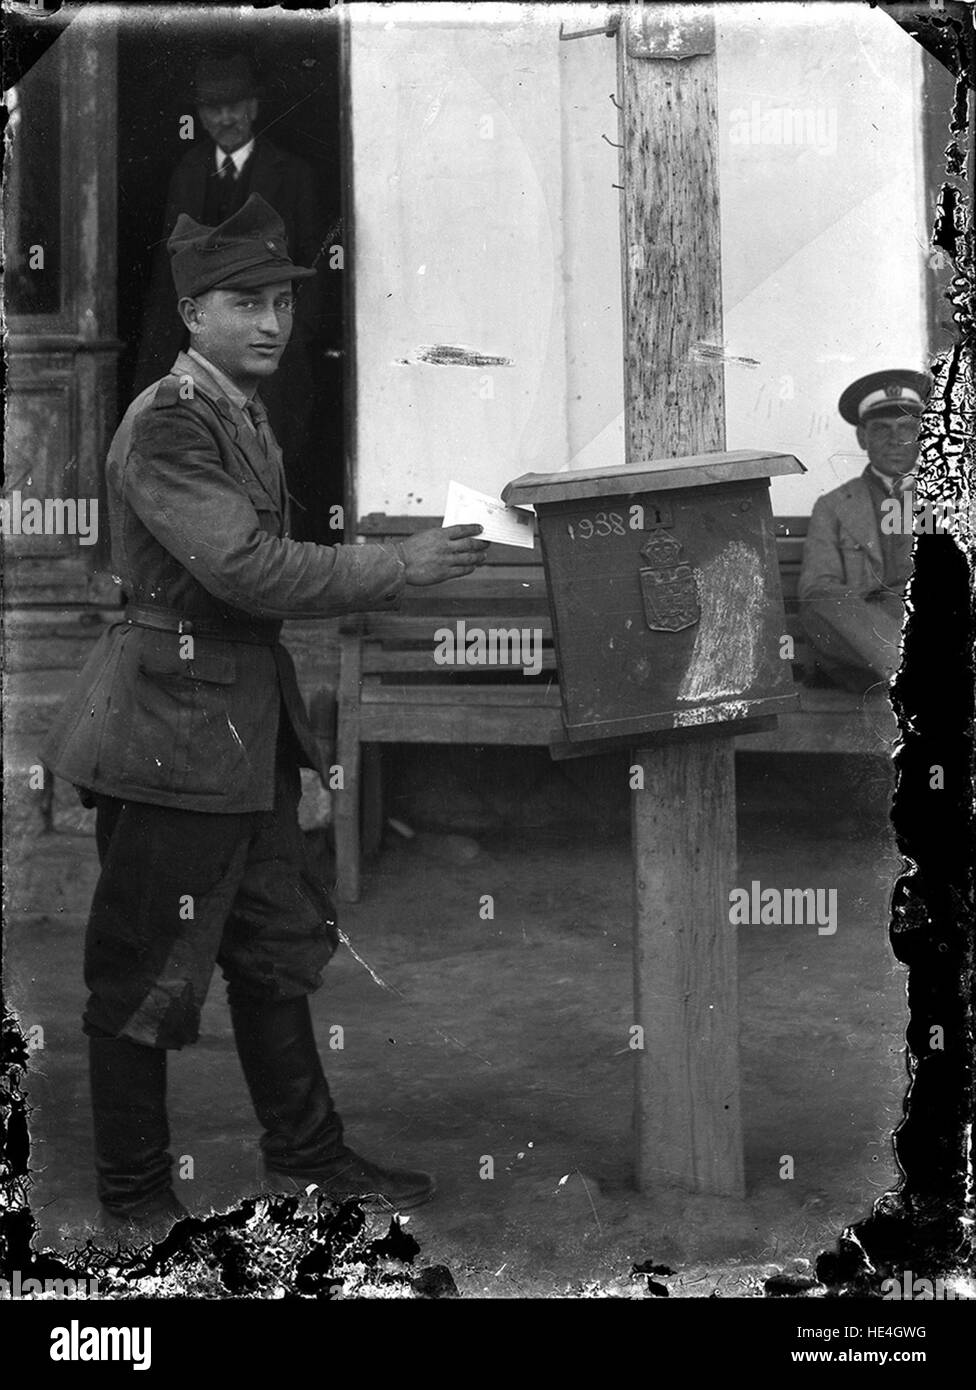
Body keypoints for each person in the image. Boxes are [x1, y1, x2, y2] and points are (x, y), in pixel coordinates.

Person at [42, 193, 489, 1239]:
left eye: (282, 300)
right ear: (193, 313)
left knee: (275, 946)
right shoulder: (168, 422)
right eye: (244, 302)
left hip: (238, 726)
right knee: (145, 968)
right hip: (166, 730)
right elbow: (243, 569)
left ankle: (308, 1154)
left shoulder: (238, 412)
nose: (272, 322)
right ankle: (137, 1199)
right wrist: (397, 567)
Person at [134, 51, 329, 531]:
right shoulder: (187, 170)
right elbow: (169, 274)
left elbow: (315, 267)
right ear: (199, 115)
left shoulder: (293, 174)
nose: (225, 118)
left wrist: (289, 337)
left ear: (255, 108)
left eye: (235, 105)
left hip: (271, 352)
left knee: (272, 461)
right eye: (212, 108)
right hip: (199, 351)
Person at [798, 368, 930, 692]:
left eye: (907, 428)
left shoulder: (947, 498)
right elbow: (818, 593)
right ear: (862, 436)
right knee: (822, 599)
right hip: (862, 653)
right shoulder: (833, 506)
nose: (895, 440)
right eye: (882, 429)